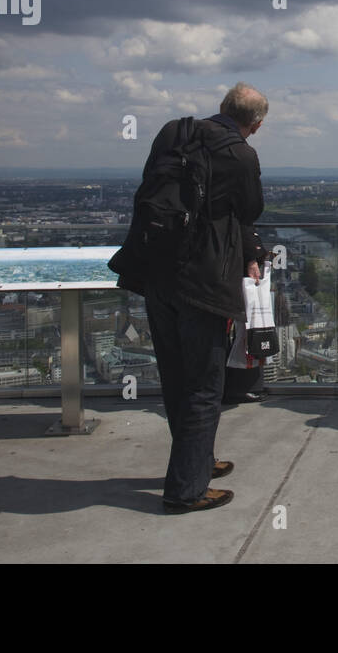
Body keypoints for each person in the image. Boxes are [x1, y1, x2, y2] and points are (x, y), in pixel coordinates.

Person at [110, 82, 269, 511]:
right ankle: (187, 490)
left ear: (220, 108)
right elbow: (250, 210)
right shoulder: (241, 154)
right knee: (204, 384)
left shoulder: (174, 133)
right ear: (255, 124)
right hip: (204, 280)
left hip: (156, 272)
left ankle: (196, 460)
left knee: (177, 377)